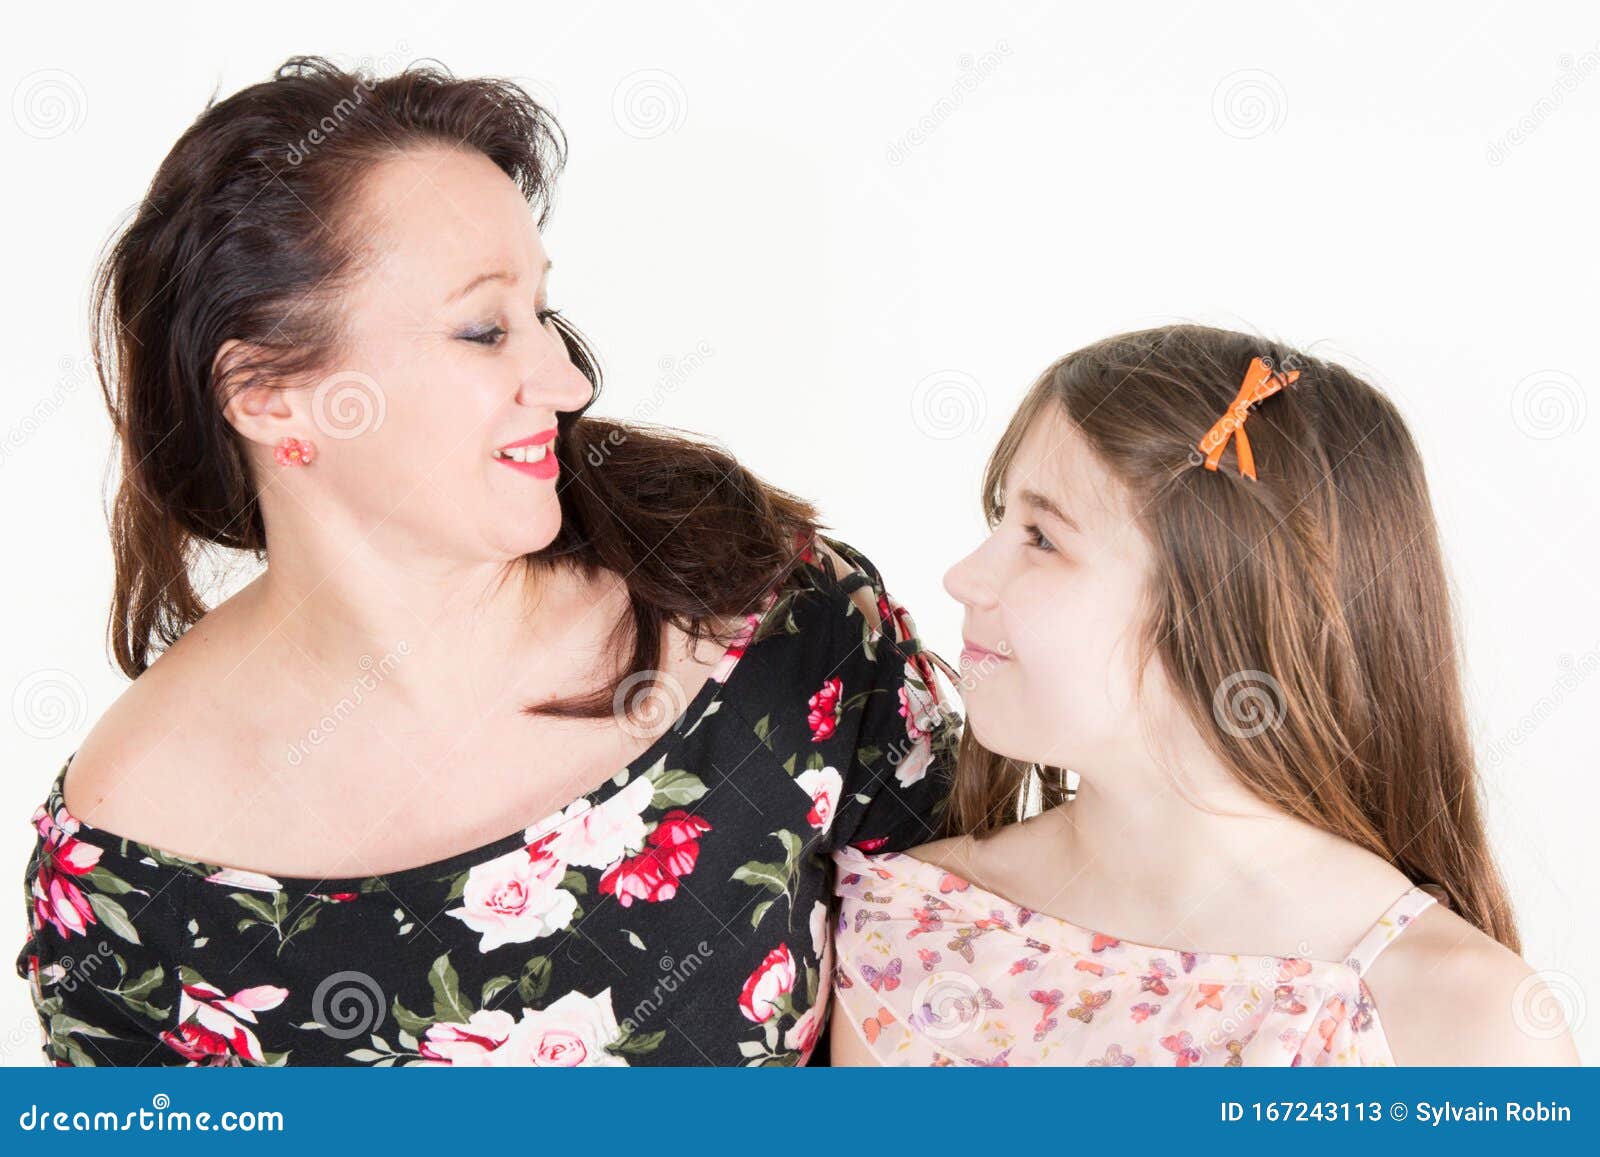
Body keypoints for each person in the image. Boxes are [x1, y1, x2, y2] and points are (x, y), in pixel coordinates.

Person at [16, 56, 958, 1067]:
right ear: (268, 397)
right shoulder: (130, 860)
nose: (564, 379)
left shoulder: (782, 629)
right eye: (483, 330)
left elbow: (990, 1029)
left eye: (540, 312)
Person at [830, 325, 1580, 1066]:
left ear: (1229, 602)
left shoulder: (1467, 1025)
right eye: (1003, 519)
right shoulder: (910, 929)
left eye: (1042, 537)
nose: (964, 577)